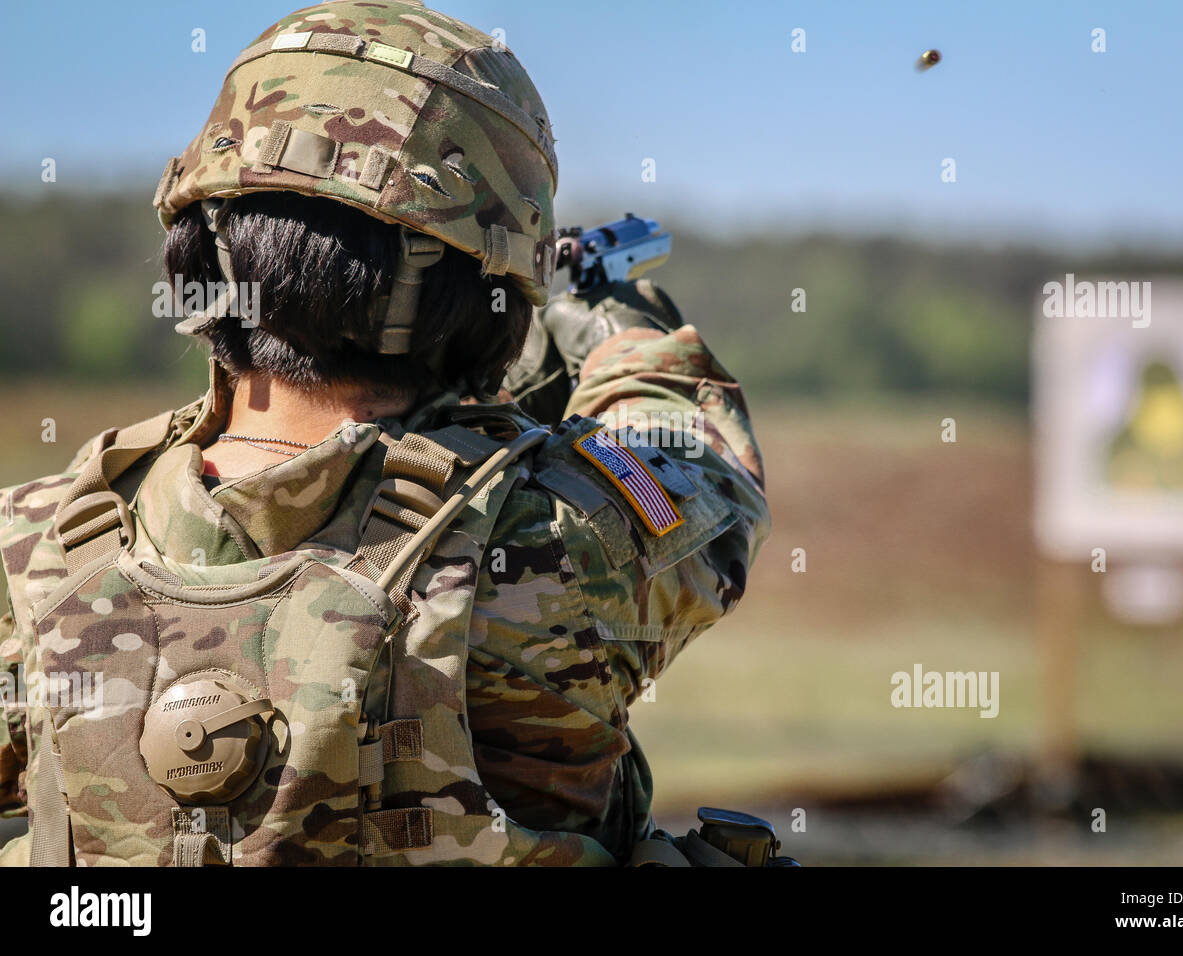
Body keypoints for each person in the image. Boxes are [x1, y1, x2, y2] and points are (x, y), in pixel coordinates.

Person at [0, 0, 768, 866]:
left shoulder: (37, 542)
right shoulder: (555, 538)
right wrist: (612, 321)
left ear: (200, 241)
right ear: (484, 288)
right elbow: (701, 470)